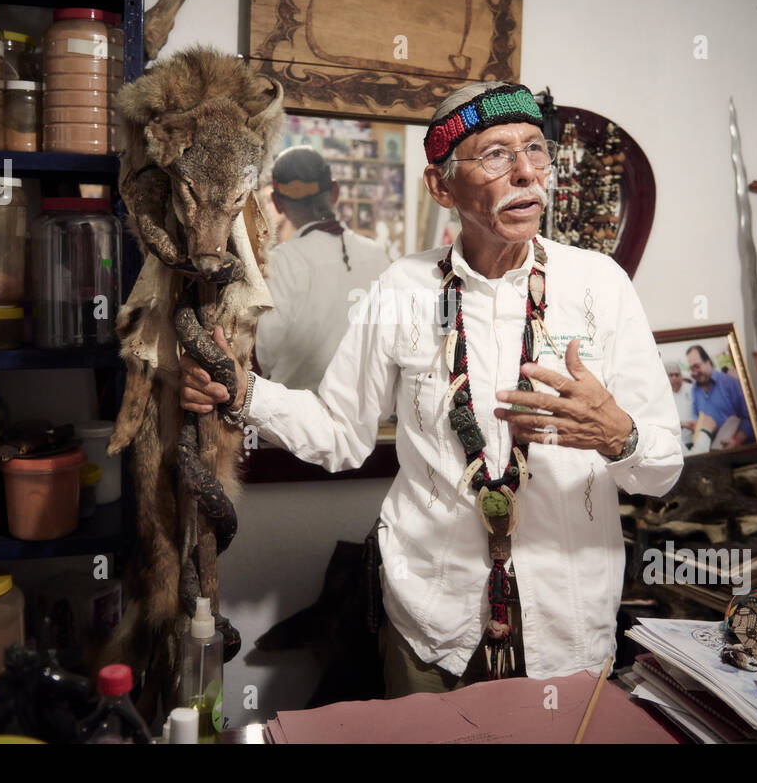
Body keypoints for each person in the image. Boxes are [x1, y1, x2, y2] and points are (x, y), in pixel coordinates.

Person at [181, 82, 682, 696]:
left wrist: (618, 435)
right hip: (431, 618)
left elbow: (661, 469)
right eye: (496, 154)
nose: (527, 172)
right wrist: (246, 392)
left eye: (535, 150)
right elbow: (342, 434)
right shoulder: (401, 290)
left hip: (569, 620)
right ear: (442, 187)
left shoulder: (599, 286)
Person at [254, 146, 392, 391]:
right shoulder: (377, 256)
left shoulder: (282, 261)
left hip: (295, 417)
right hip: (361, 419)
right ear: (335, 191)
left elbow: (265, 353)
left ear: (277, 202)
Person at [686, 344, 755, 444]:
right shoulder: (694, 390)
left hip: (739, 449)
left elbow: (750, 417)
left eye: (697, 366)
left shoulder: (730, 383)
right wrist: (695, 425)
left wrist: (736, 441)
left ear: (708, 362)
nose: (695, 373)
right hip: (712, 450)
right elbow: (697, 417)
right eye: (691, 369)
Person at [666, 359, 695, 451]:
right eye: (671, 375)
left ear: (681, 376)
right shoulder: (663, 394)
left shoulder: (691, 389)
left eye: (677, 375)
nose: (674, 378)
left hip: (694, 438)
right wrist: (681, 424)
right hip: (675, 443)